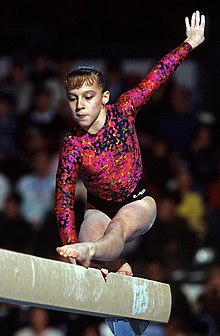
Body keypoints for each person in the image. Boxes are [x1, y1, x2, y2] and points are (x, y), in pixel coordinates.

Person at [56, 11, 206, 275]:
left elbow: (156, 77)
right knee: (86, 254)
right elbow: (64, 200)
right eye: (73, 98)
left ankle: (98, 252)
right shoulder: (72, 144)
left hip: (137, 202)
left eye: (88, 96)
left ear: (104, 97)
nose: (80, 106)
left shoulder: (123, 111)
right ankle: (108, 259)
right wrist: (69, 246)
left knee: (115, 231)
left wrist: (189, 43)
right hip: (97, 206)